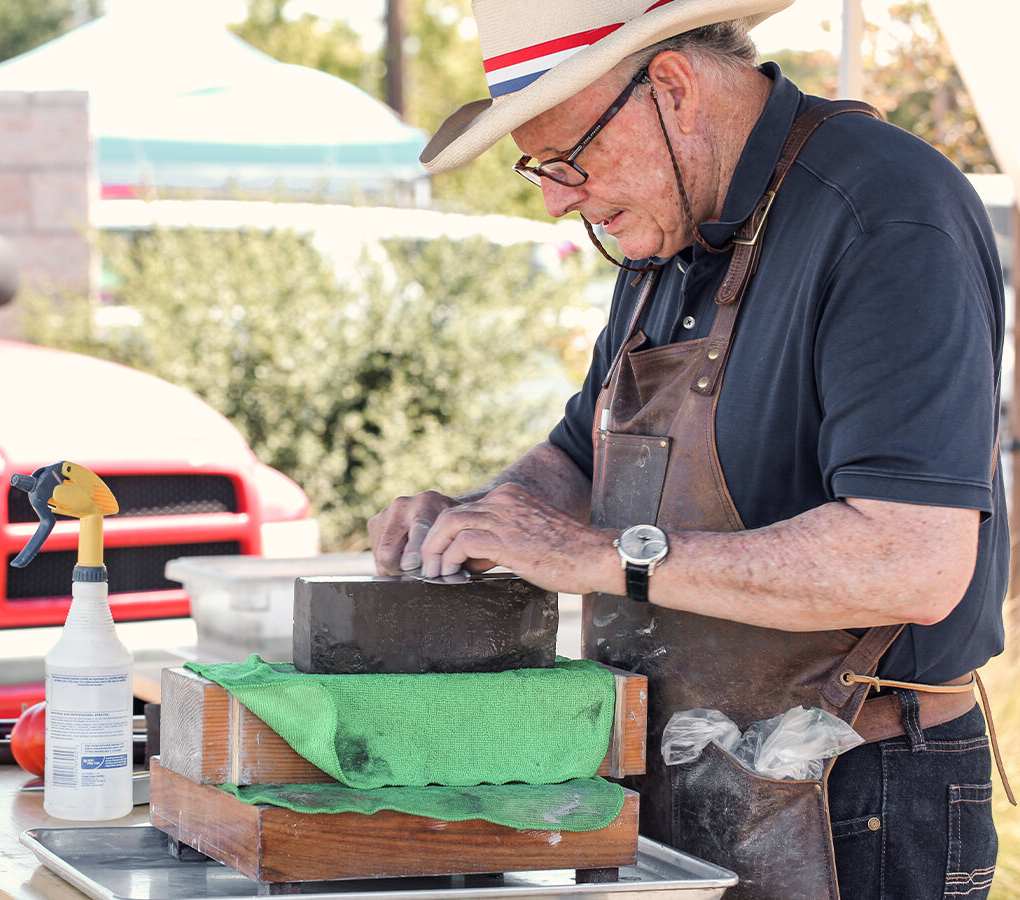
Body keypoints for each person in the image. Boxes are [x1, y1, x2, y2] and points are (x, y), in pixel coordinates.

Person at [368, 1, 1012, 898]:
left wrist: (601, 557)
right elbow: (580, 456)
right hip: (673, 772)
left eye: (568, 159)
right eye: (538, 170)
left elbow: (911, 556)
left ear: (669, 89)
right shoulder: (668, 228)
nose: (556, 197)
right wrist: (481, 517)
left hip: (853, 796)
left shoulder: (886, 211)